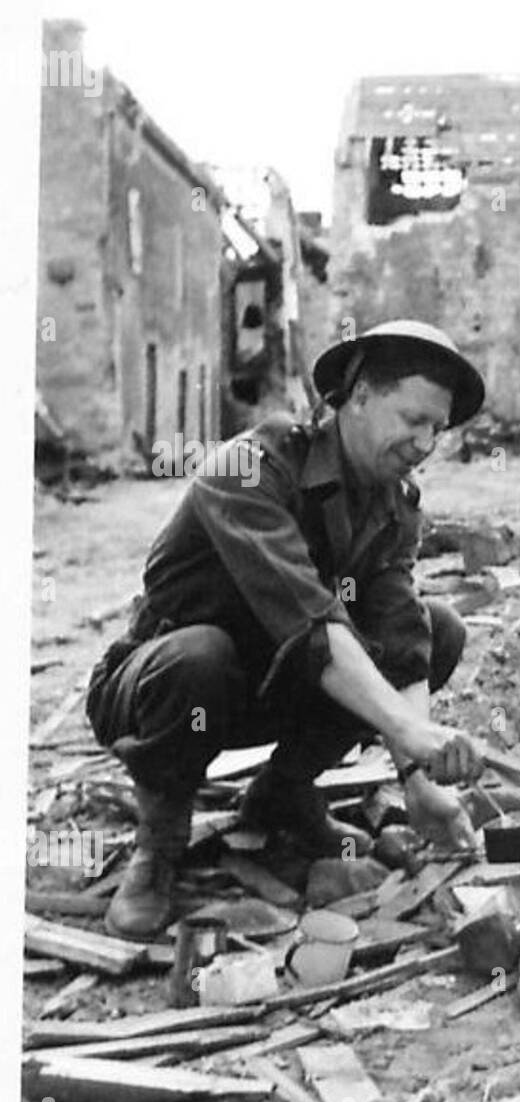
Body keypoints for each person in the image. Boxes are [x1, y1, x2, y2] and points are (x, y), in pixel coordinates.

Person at [88, 321, 489, 938]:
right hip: (163, 685)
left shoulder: (393, 504)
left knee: (442, 628)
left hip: (279, 681)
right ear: (357, 395)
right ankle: (159, 844)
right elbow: (310, 623)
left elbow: (403, 639)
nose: (425, 442)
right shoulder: (252, 467)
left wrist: (418, 782)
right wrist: (410, 731)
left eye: (437, 428)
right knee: (201, 656)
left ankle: (282, 793)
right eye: (412, 419)